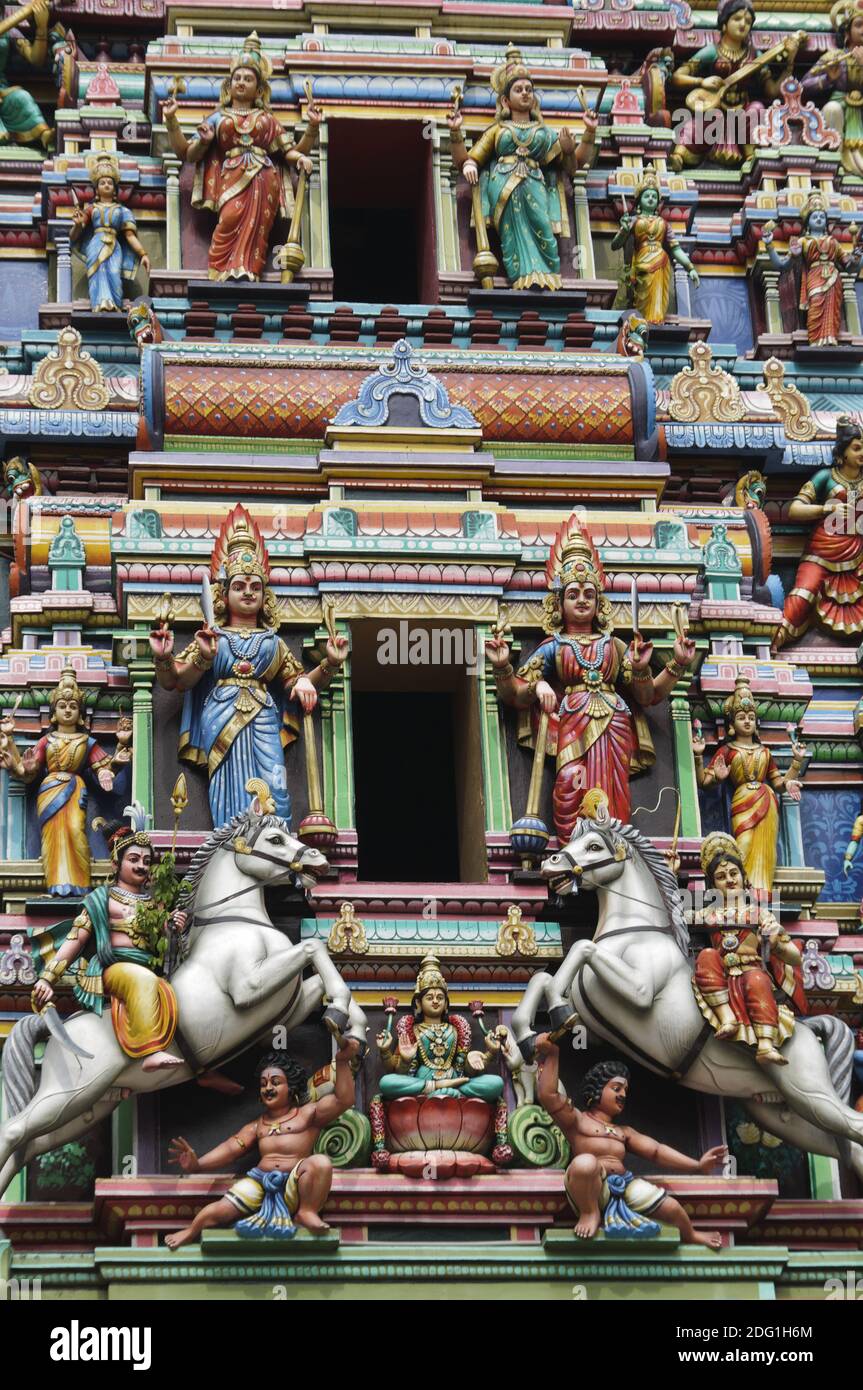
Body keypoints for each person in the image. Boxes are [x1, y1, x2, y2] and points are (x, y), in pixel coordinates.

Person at [486, 513, 695, 840]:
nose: (582, 599)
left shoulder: (614, 646)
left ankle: (615, 849)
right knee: (570, 779)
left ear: (599, 603)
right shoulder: (554, 646)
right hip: (572, 722)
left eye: (588, 593)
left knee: (613, 789)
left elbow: (647, 696)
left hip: (615, 724)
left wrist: (672, 665)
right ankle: (575, 851)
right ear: (559, 603)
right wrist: (508, 669)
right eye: (573, 594)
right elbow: (514, 694)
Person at [150, 504, 348, 828]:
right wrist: (167, 656)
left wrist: (329, 664)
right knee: (229, 781)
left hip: (265, 719)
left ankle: (272, 840)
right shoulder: (214, 637)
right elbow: (176, 681)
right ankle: (231, 838)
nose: (248, 593)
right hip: (222, 715)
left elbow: (300, 685)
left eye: (255, 587)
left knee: (274, 783)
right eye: (239, 586)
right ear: (223, 593)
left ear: (264, 595)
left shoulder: (273, 642)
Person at [30, 808, 184, 1071]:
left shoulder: (155, 904)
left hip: (147, 966)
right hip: (114, 970)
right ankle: (149, 1050)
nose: (141, 866)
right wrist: (47, 977)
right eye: (134, 859)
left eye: (147, 861)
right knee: (142, 979)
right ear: (116, 864)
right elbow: (76, 940)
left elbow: (164, 946)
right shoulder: (102, 900)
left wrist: (172, 928)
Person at [535, 1038, 727, 1245]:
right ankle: (589, 1213)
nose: (623, 1095)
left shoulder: (624, 1132)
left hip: (623, 1185)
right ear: (598, 1090)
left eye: (625, 1090)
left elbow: (656, 1151)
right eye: (616, 1088)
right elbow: (549, 1095)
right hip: (589, 1187)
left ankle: (691, 1235)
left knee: (672, 1207)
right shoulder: (578, 1120)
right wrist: (553, 1053)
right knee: (585, 1163)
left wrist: (697, 1165)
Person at [163, 31, 320, 282]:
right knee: (229, 220)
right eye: (237, 77)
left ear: (258, 89)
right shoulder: (218, 117)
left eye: (248, 79)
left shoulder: (267, 120)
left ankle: (249, 271)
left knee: (258, 229)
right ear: (229, 84)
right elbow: (187, 153)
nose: (241, 82)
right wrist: (172, 120)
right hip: (231, 177)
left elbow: (290, 152)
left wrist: (311, 131)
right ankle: (222, 270)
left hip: (263, 179)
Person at [164, 1044, 359, 1246]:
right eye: (264, 1083)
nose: (268, 1088)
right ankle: (191, 1231)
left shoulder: (308, 1114)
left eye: (275, 1082)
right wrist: (198, 1165)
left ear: (290, 1087)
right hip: (260, 1182)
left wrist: (342, 1061)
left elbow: (343, 1100)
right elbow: (230, 1149)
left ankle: (306, 1212)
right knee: (219, 1210)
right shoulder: (257, 1126)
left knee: (320, 1163)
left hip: (296, 1181)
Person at [448, 44, 598, 290]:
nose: (525, 93)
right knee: (511, 233)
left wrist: (586, 135)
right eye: (518, 90)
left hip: (536, 183)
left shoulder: (544, 133)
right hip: (504, 184)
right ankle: (521, 277)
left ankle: (545, 275)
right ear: (506, 99)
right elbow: (469, 158)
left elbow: (573, 167)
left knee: (543, 229)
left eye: (529, 89)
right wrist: (456, 135)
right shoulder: (498, 131)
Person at [0, 667, 126, 897]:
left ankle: (78, 887)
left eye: (73, 706)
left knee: (75, 832)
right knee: (52, 838)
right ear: (54, 713)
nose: (67, 710)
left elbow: (106, 769)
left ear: (80, 715)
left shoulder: (87, 742)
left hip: (75, 790)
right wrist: (8, 739)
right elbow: (26, 772)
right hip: (49, 791)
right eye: (62, 706)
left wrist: (119, 752)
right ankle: (56, 886)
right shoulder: (46, 741)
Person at [691, 832, 806, 1066]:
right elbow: (675, 916)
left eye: (734, 873)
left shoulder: (760, 914)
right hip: (721, 976)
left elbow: (795, 958)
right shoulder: (708, 914)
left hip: (753, 973)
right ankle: (727, 1018)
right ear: (713, 885)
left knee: (756, 979)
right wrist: (671, 874)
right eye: (721, 876)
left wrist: (775, 943)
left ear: (744, 877)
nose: (730, 879)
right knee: (706, 955)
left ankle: (765, 1044)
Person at [693, 677, 806, 893]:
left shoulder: (765, 752)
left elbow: (779, 783)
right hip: (742, 801)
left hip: (767, 800)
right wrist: (700, 759)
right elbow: (703, 782)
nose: (747, 721)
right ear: (732, 724)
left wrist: (796, 763)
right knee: (742, 845)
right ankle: (741, 890)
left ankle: (761, 890)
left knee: (764, 850)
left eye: (751, 718)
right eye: (742, 717)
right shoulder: (727, 750)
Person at [669, 0, 801, 170]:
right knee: (697, 123)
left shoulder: (755, 56)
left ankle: (751, 156)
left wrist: (789, 64)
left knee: (757, 108)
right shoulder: (712, 51)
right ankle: (678, 156)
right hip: (714, 107)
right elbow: (677, 77)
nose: (743, 24)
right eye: (737, 18)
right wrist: (701, 81)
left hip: (742, 110)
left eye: (747, 21)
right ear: (724, 23)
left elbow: (772, 91)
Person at [774, 416, 863, 649]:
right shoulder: (826, 477)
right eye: (856, 448)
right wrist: (827, 508)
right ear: (843, 451)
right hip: (822, 552)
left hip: (858, 552)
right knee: (805, 591)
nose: (861, 453)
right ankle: (774, 643)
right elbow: (794, 509)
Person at [376, 953, 505, 1102]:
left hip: (456, 1081)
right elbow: (399, 1072)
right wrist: (391, 1054)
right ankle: (437, 1086)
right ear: (418, 1003)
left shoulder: (455, 1030)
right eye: (429, 998)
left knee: (495, 1083)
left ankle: (443, 1088)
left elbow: (465, 1071)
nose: (435, 1001)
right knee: (387, 1082)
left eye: (440, 997)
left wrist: (488, 1054)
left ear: (446, 1004)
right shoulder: (412, 1030)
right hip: (422, 1084)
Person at [763, 193, 863, 348]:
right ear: (808, 222)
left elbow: (850, 268)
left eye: (822, 217)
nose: (818, 219)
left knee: (832, 310)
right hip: (814, 278)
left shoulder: (834, 242)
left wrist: (858, 257)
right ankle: (816, 340)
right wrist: (769, 246)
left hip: (833, 279)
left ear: (826, 222)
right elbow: (783, 265)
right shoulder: (802, 241)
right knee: (815, 305)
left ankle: (830, 339)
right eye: (814, 216)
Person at [611, 169, 699, 324]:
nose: (650, 199)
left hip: (660, 264)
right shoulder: (632, 220)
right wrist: (624, 230)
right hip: (640, 264)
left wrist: (690, 267)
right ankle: (641, 322)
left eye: (654, 196)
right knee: (640, 296)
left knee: (656, 301)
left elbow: (675, 249)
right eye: (647, 196)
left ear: (658, 201)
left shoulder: (663, 224)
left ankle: (654, 322)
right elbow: (615, 245)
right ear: (639, 201)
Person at [70, 153, 150, 313]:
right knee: (97, 272)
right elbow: (73, 236)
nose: (106, 185)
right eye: (102, 183)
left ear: (115, 188)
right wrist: (78, 225)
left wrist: (143, 254)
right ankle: (99, 304)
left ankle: (113, 303)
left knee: (114, 272)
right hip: (96, 244)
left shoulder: (123, 211)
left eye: (109, 183)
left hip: (114, 245)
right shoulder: (91, 209)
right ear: (97, 188)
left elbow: (129, 236)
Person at [801, 0, 863, 177]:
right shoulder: (835, 57)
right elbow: (804, 84)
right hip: (840, 107)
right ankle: (835, 160)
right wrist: (828, 78)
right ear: (847, 32)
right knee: (831, 109)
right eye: (859, 25)